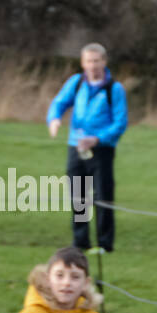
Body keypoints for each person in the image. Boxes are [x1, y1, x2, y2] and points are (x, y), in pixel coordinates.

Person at [46, 43, 128, 252]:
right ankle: (80, 242)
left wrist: (97, 139)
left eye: (96, 61)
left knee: (103, 196)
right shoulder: (76, 82)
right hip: (76, 146)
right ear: (83, 63)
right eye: (89, 61)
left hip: (101, 149)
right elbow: (59, 102)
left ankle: (104, 243)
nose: (93, 65)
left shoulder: (114, 89)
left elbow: (120, 122)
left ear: (104, 61)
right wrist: (54, 119)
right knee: (79, 195)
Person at [5, 246, 109, 313]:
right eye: (60, 275)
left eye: (75, 277)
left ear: (86, 283)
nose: (66, 283)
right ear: (48, 279)